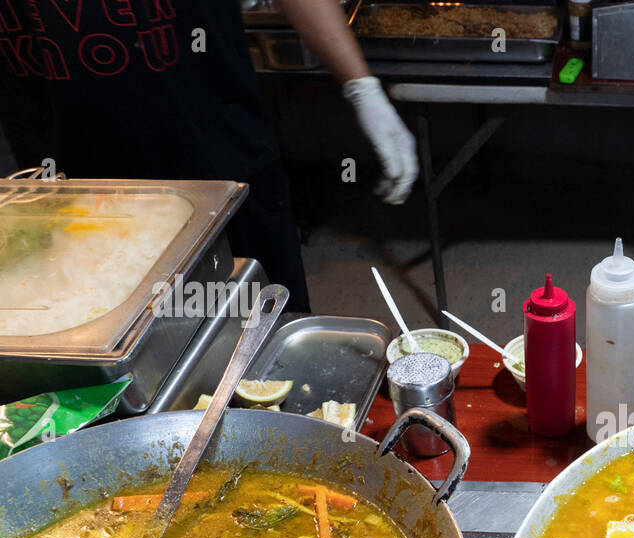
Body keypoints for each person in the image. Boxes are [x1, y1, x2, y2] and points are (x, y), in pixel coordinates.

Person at [0, 0, 418, 311]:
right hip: (69, 198)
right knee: (107, 384)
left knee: (263, 354)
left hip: (221, 173)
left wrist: (361, 87)